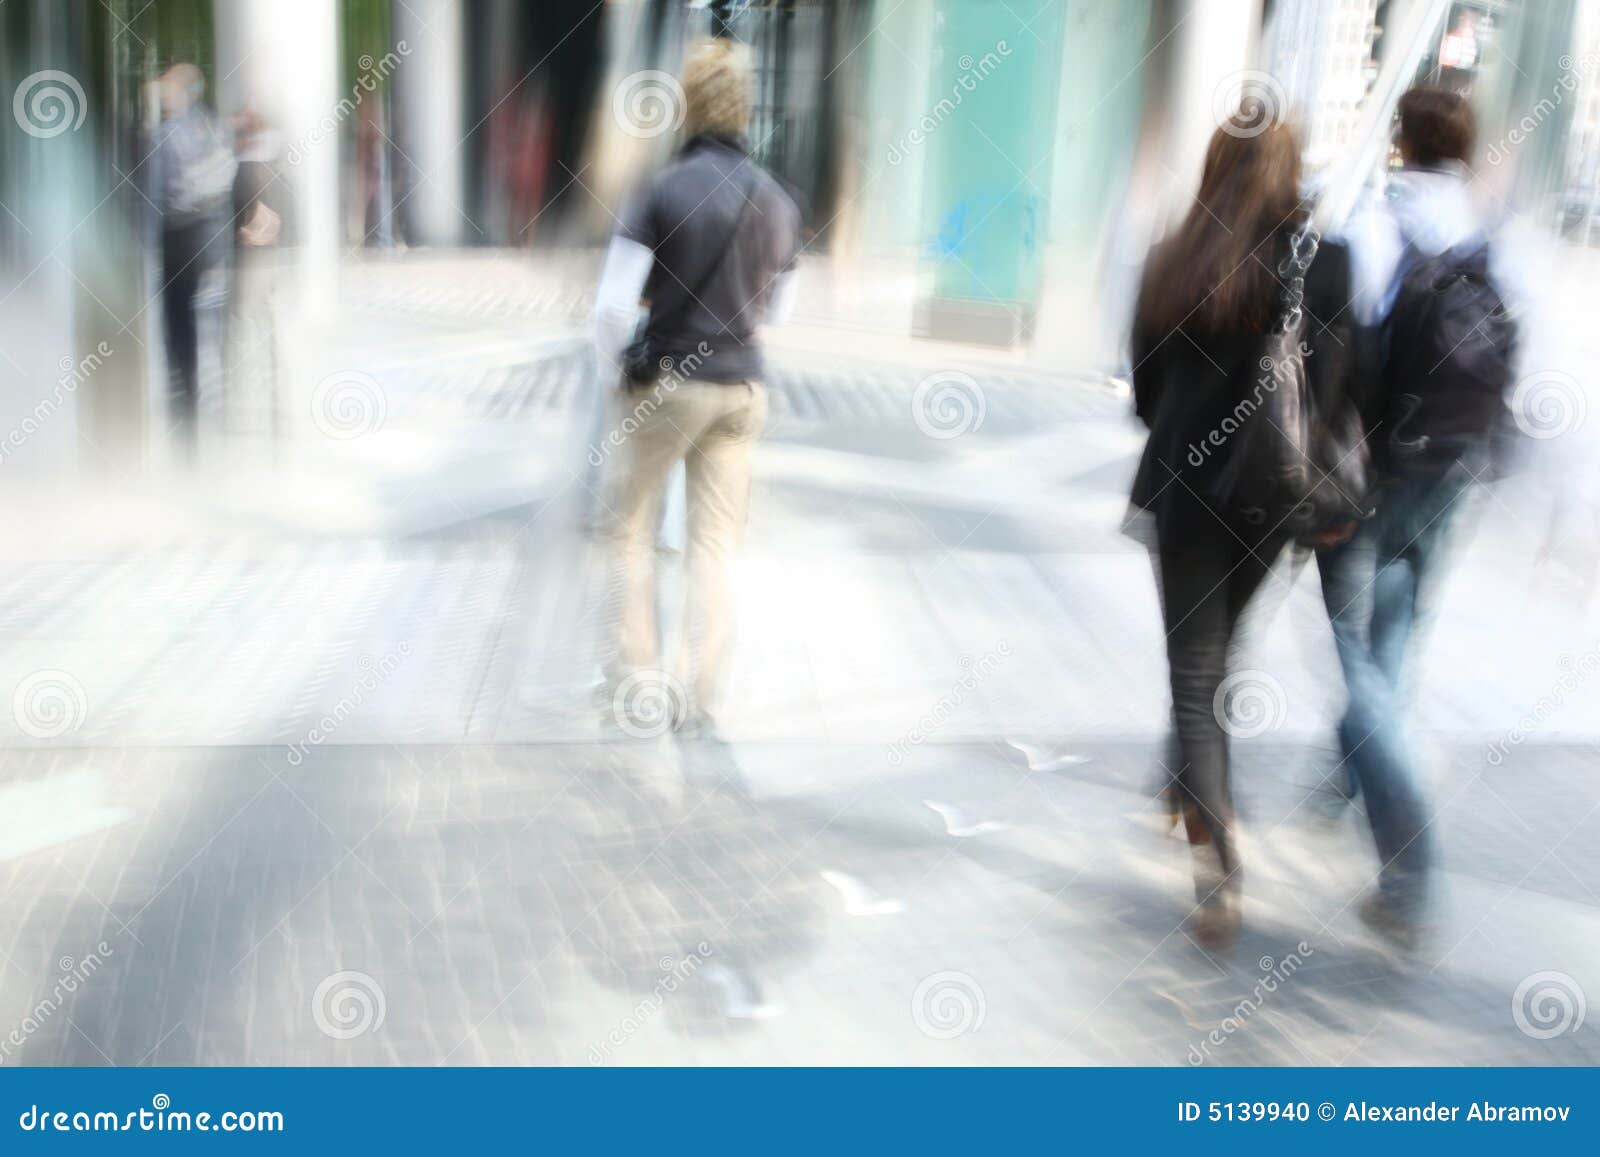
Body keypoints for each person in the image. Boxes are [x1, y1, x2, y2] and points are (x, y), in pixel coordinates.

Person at [1130, 115, 1357, 949]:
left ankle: (1217, 866)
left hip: (1185, 490)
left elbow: (1145, 393)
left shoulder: (1172, 257)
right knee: (1221, 657)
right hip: (1272, 496)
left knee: (1195, 670)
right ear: (1291, 167)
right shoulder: (1325, 260)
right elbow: (1334, 390)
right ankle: (1190, 786)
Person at [1318, 86, 1519, 946]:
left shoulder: (1373, 223)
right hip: (1455, 468)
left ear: (1400, 137)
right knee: (1396, 636)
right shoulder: (1493, 234)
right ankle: (1349, 779)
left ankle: (1408, 868)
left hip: (1373, 470)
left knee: (1359, 660)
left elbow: (1332, 360)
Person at [591, 38, 802, 737]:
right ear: (743, 106)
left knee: (628, 529)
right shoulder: (776, 199)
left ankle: (637, 675)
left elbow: (614, 307)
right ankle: (702, 692)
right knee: (716, 543)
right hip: (740, 389)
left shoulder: (661, 190)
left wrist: (614, 372)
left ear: (685, 102)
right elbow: (779, 311)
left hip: (663, 384)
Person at [149, 63, 235, 448]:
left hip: (178, 234)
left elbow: (157, 195)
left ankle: (184, 397)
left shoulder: (167, 134)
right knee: (205, 319)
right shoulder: (211, 127)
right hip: (207, 236)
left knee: (177, 321)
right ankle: (207, 391)